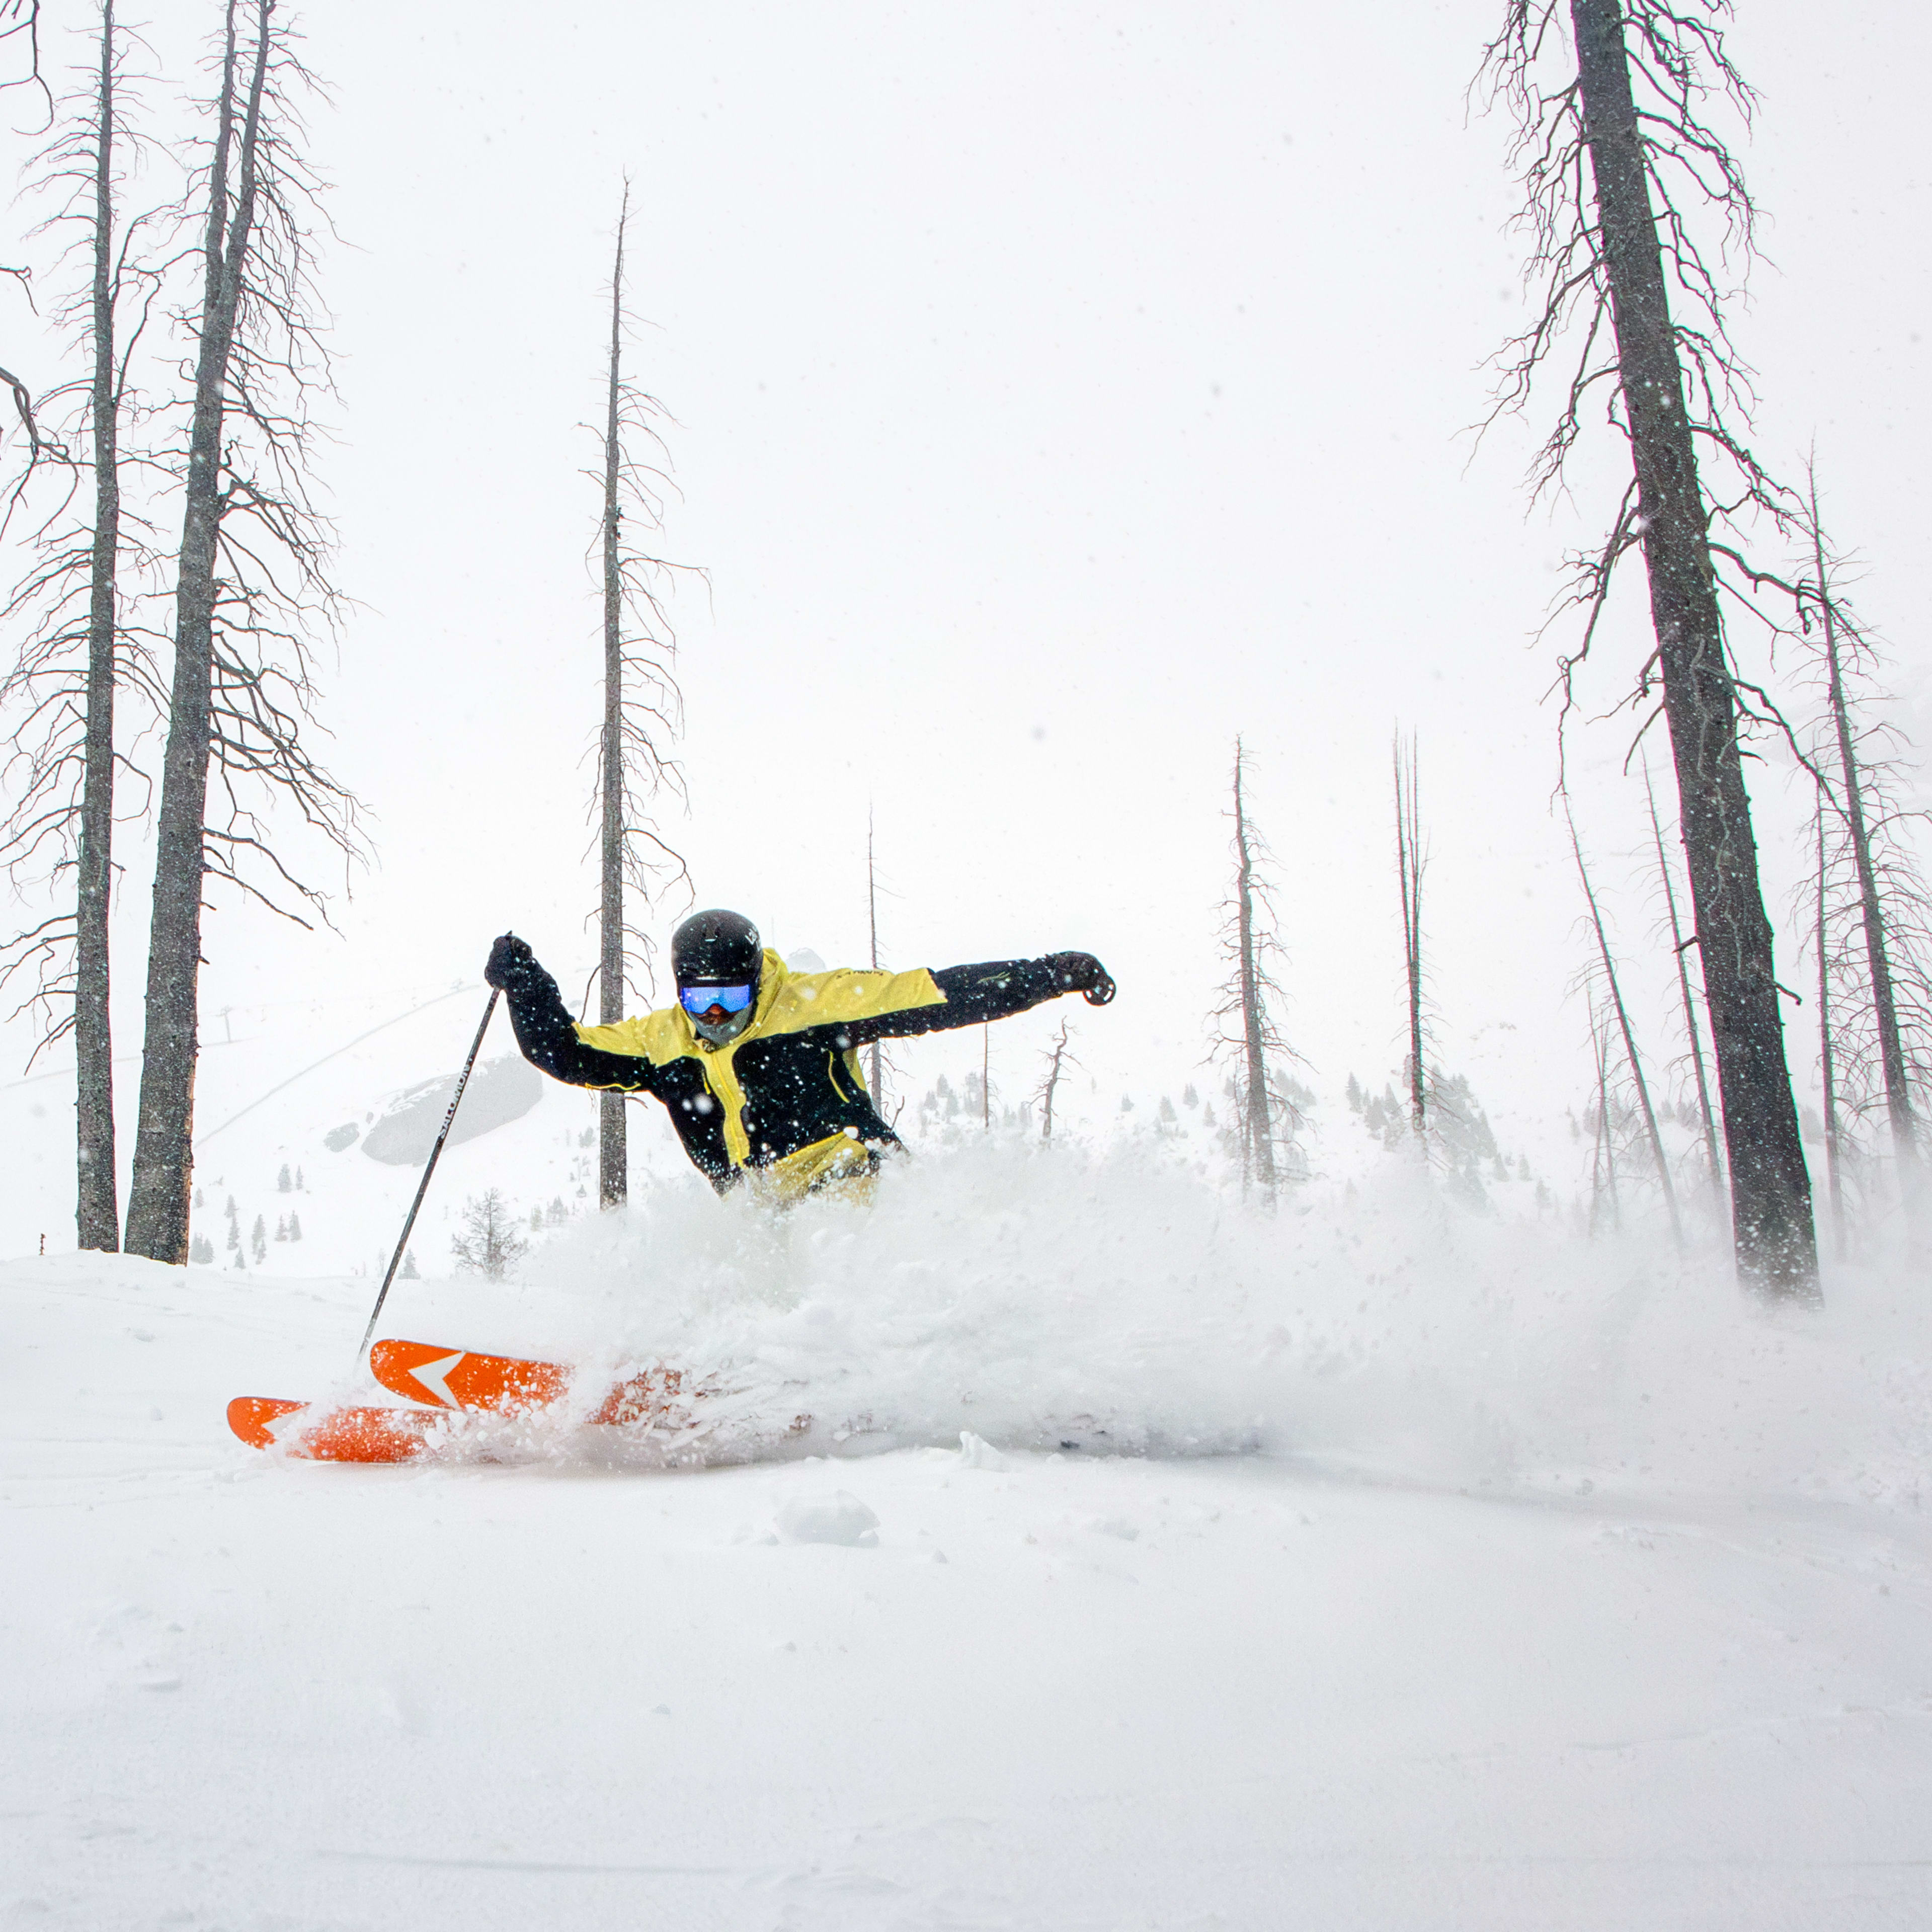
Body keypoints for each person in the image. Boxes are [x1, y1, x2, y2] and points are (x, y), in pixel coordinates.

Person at [485, 910, 1115, 1201]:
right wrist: (526, 985)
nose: (715, 1016)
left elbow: (938, 994)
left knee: (834, 1239)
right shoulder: (662, 1043)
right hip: (758, 1206)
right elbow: (565, 1052)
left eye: (730, 996)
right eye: (700, 999)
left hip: (852, 1177)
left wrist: (1051, 974)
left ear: (756, 981)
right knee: (735, 1272)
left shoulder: (814, 1006)